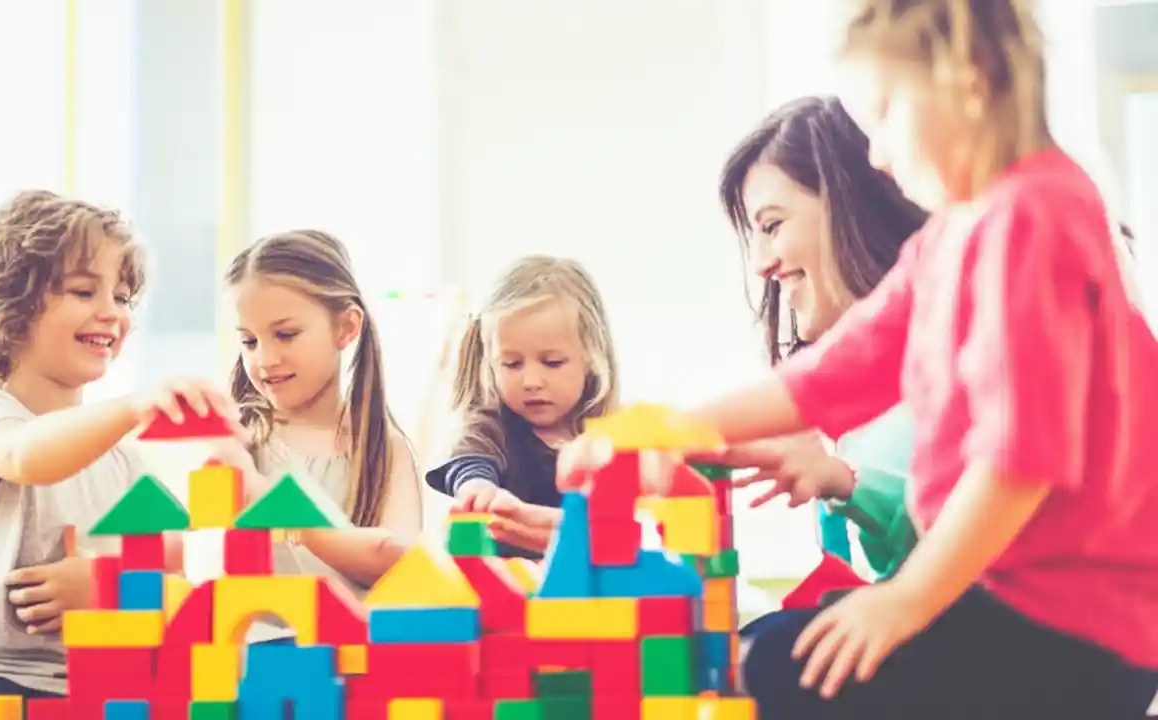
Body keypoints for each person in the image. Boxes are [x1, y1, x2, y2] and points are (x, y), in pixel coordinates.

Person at [559, 1, 1158, 717]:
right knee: (776, 652)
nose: (877, 155)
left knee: (784, 669)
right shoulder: (964, 231)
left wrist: (906, 601)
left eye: (884, 117)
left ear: (965, 84)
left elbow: (1021, 459)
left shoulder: (1030, 221)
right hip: (1029, 608)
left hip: (1069, 626)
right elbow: (836, 370)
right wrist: (672, 428)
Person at [0, 190, 233, 699]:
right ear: (11, 304)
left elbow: (179, 550)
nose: (112, 313)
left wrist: (109, 582)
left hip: (91, 689)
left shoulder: (120, 458)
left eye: (122, 298)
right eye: (84, 292)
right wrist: (134, 406)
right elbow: (26, 456)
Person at [717, 95, 926, 581]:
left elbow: (960, 526)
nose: (761, 263)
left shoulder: (946, 344)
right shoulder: (852, 393)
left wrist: (845, 482)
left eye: (772, 226)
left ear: (846, 203)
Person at [220, 230, 421, 643]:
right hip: (252, 677)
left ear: (346, 328)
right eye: (249, 341)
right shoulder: (238, 440)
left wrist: (286, 510)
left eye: (286, 334)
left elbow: (401, 561)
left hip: (355, 676)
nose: (265, 359)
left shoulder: (385, 449)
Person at [425, 256, 619, 558]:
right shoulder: (492, 426)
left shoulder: (610, 439)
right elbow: (469, 459)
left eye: (552, 362)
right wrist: (477, 489)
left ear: (591, 357)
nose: (531, 380)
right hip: (510, 588)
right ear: (490, 363)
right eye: (511, 364)